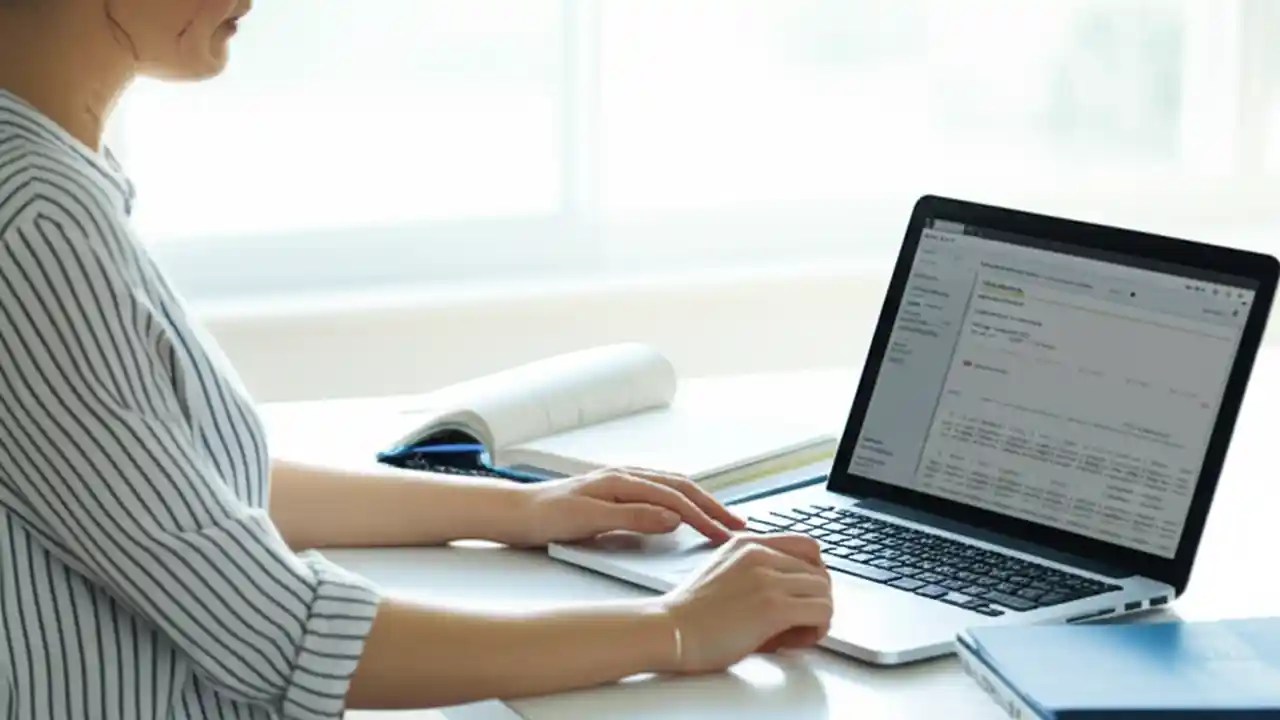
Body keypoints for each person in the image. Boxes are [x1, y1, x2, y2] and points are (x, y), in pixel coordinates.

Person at [0, 1, 835, 718]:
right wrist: (678, 629)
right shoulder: (39, 229)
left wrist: (526, 511)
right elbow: (279, 634)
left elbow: (193, 487)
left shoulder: (50, 180)